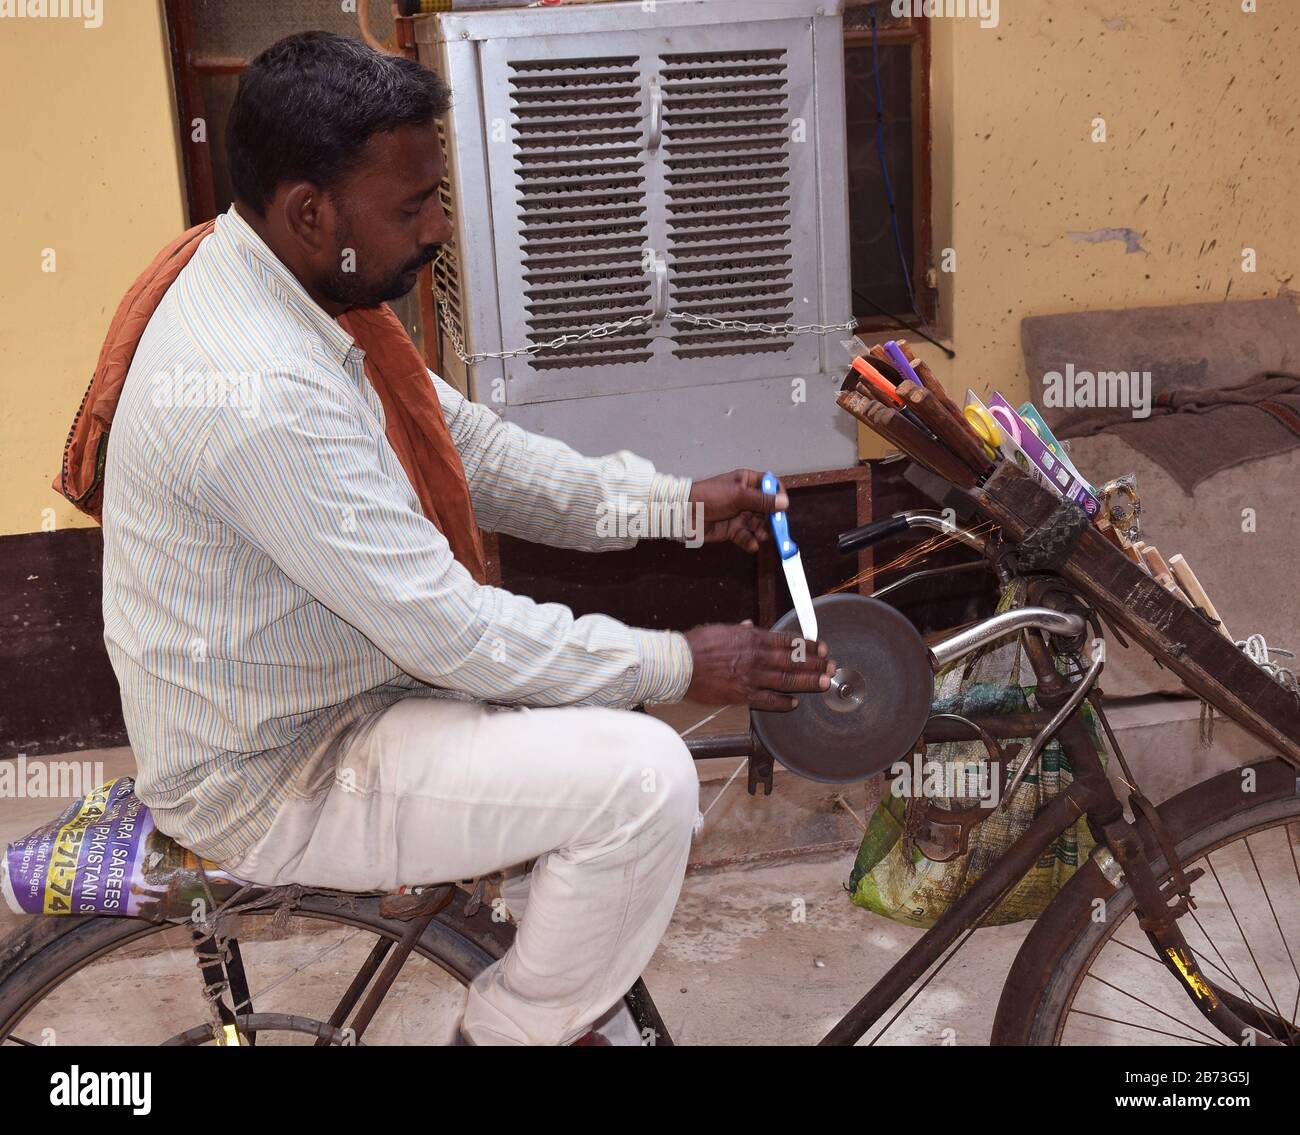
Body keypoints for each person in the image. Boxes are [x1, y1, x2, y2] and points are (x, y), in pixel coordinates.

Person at [99, 31, 834, 1045]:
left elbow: (473, 453)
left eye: (435, 195)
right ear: (310, 211)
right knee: (642, 781)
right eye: (411, 207)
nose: (438, 227)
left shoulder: (300, 290)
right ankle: (507, 1036)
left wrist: (677, 504)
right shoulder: (261, 395)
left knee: (592, 797)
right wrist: (679, 663)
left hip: (339, 692)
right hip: (284, 767)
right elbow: (449, 632)